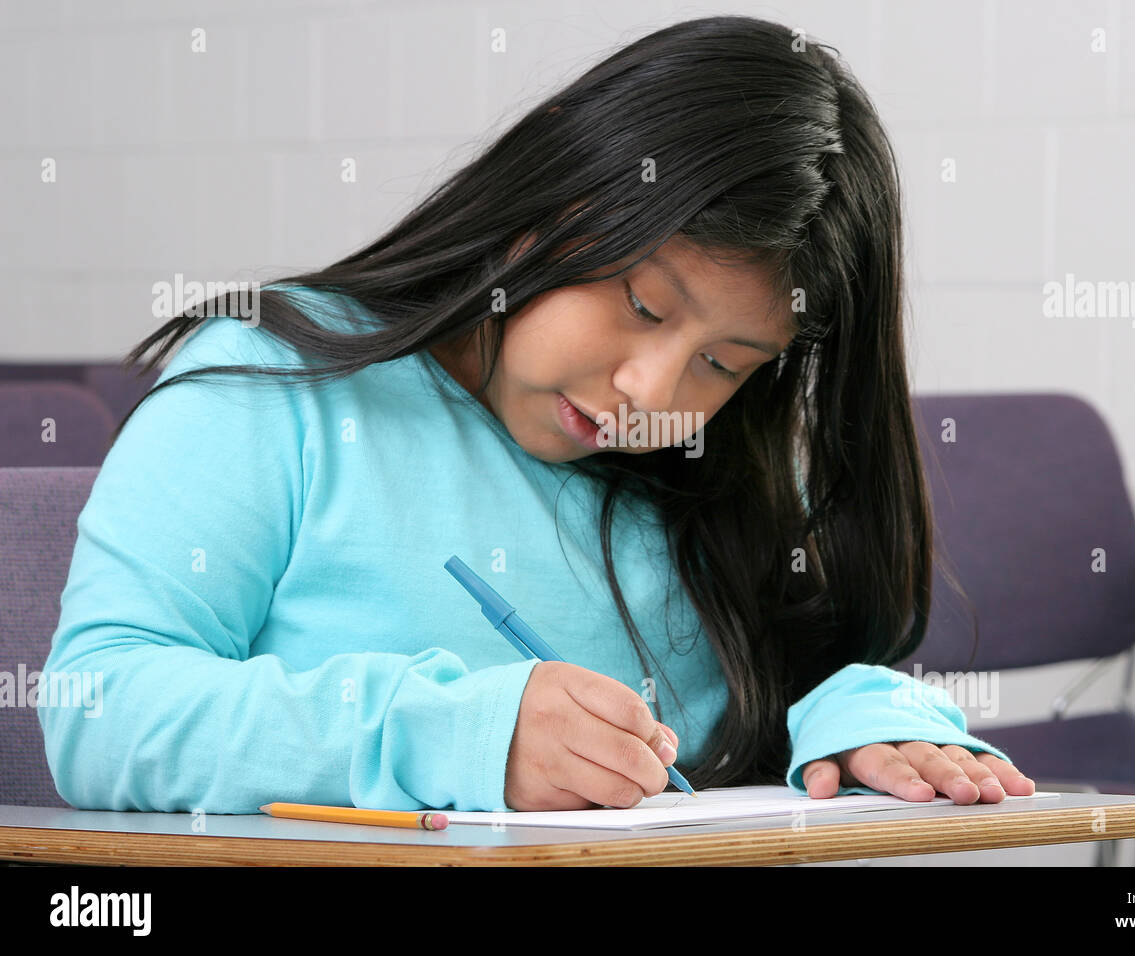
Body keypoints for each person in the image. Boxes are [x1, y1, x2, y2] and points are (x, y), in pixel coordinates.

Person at [39, 15, 1033, 813]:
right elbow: (101, 710)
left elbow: (777, 713)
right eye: (642, 303)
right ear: (552, 195)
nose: (651, 392)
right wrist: (448, 735)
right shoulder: (270, 380)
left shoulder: (713, 466)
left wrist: (859, 720)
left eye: (725, 362)